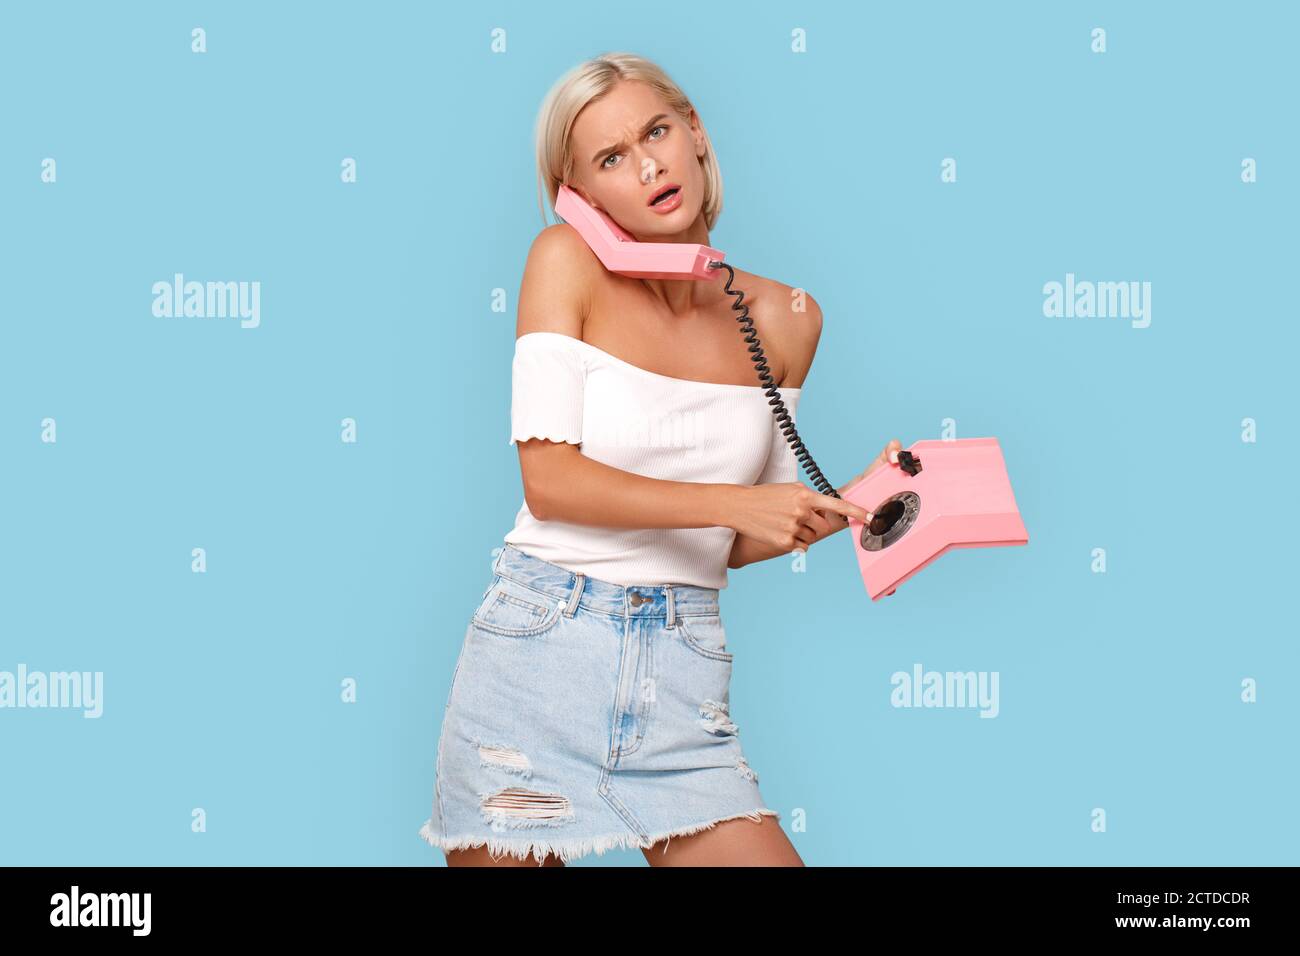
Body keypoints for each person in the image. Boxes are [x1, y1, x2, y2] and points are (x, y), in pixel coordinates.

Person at [419, 52, 903, 867]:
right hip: (540, 655)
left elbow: (740, 540)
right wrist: (729, 503)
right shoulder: (562, 263)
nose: (647, 165)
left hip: (683, 671)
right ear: (581, 197)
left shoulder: (788, 319)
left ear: (697, 134)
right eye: (611, 158)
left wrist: (849, 501)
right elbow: (551, 481)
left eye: (657, 132)